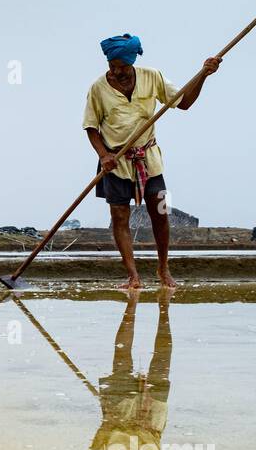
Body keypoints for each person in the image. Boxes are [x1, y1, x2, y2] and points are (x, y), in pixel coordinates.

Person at [83, 34, 220, 289]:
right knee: (119, 216)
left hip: (149, 160)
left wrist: (203, 75)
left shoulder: (152, 77)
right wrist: (104, 155)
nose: (117, 72)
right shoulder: (98, 88)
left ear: (132, 62)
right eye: (112, 67)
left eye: (123, 67)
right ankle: (133, 276)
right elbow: (91, 127)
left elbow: (184, 103)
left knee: (160, 212)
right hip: (116, 162)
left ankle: (163, 269)